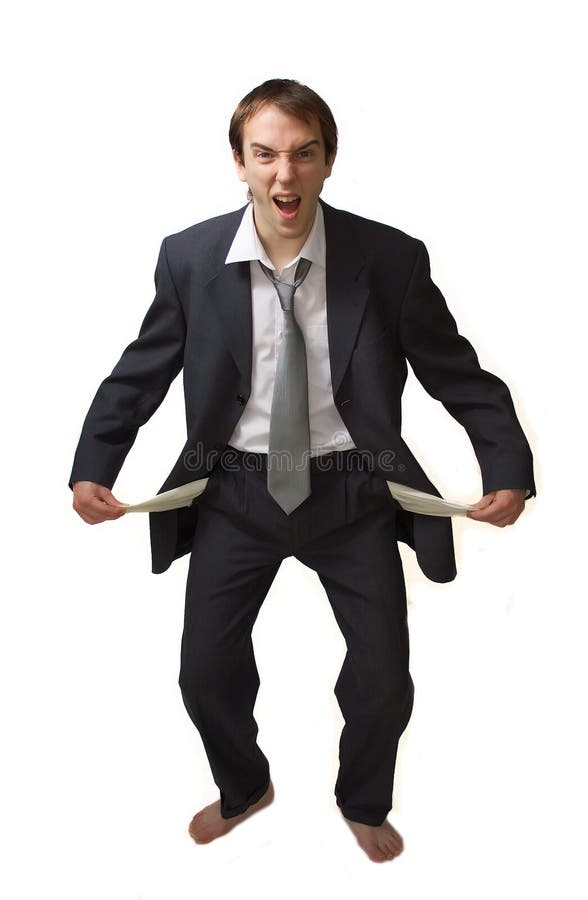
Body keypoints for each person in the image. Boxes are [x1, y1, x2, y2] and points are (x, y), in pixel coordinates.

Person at [69, 78, 535, 863]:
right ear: (239, 162)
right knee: (203, 675)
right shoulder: (188, 259)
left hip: (353, 488)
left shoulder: (389, 258)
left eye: (302, 154)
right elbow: (138, 373)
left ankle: (363, 799)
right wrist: (93, 465)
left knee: (385, 681)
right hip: (234, 491)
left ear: (327, 161)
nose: (284, 176)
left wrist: (508, 467)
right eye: (265, 155)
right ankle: (245, 786)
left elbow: (459, 373)